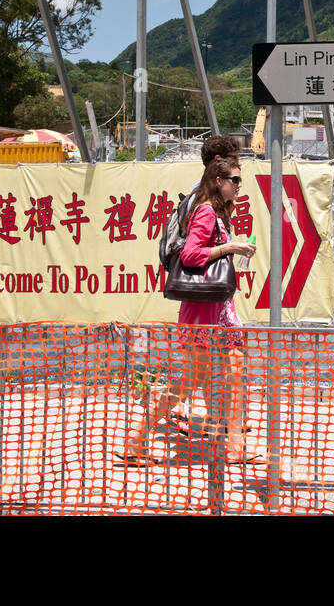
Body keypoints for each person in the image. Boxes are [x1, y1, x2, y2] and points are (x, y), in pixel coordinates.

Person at [118, 155, 259, 465]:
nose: (239, 186)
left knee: (234, 370)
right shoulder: (206, 212)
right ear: (219, 181)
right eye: (234, 180)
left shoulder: (216, 212)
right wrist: (231, 248)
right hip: (202, 311)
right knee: (192, 379)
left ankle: (234, 446)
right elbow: (192, 255)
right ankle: (136, 438)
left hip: (219, 309)